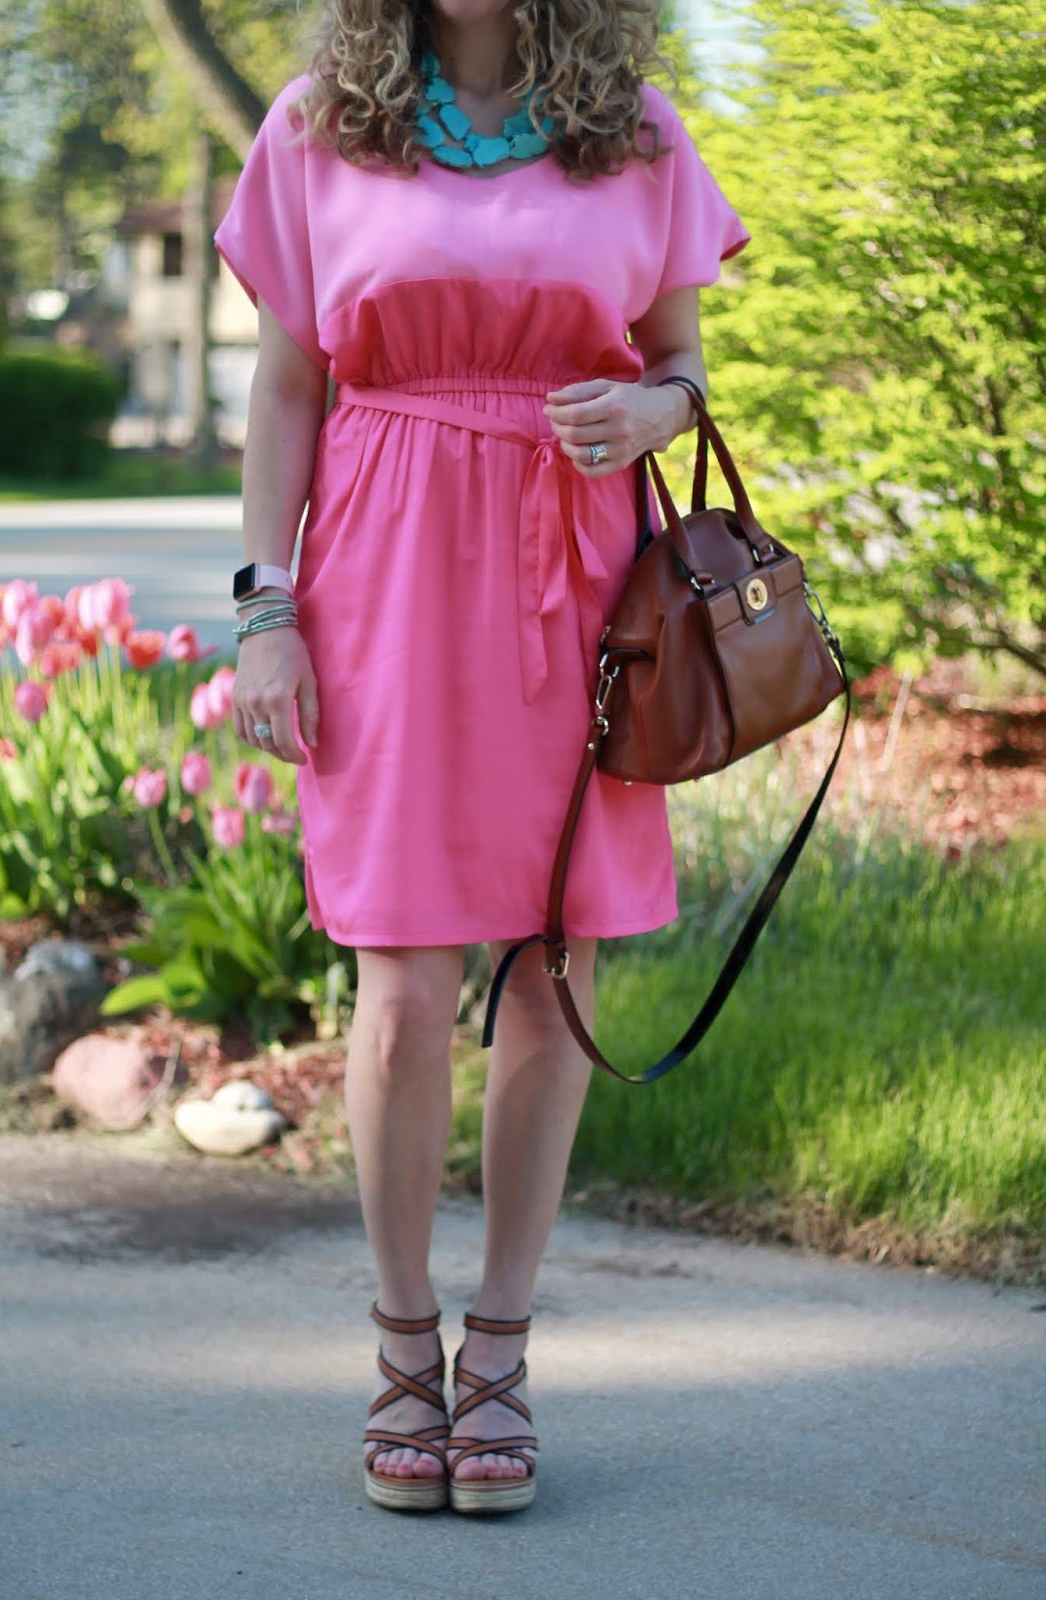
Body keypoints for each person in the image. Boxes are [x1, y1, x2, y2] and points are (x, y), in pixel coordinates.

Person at [214, 0, 750, 1518]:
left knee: (558, 967)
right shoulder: (320, 121)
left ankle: (499, 1347)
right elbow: (288, 388)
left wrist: (647, 406)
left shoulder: (632, 129)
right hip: (380, 572)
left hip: (579, 580)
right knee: (398, 985)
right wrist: (267, 612)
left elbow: (684, 370)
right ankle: (400, 1343)